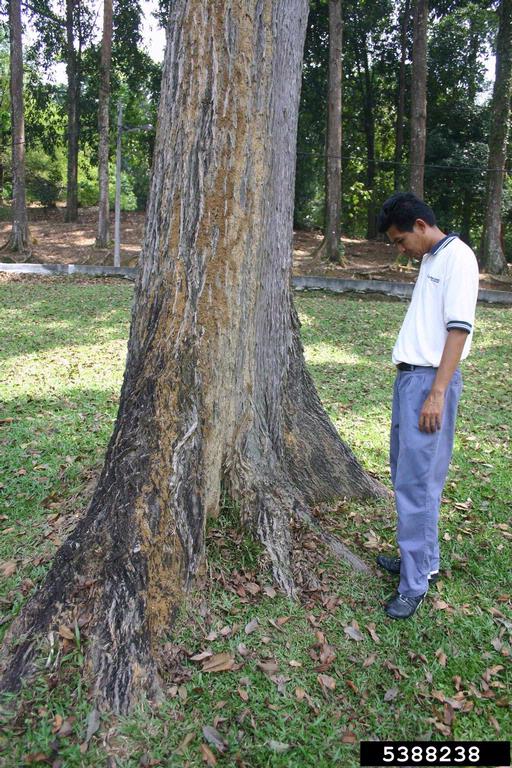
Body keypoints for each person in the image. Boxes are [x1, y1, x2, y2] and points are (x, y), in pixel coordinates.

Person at [376, 192, 479, 619]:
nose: (400, 250)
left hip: (429, 382)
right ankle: (425, 562)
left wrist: (436, 392)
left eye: (401, 240)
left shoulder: (458, 259)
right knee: (411, 476)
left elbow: (458, 330)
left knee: (415, 486)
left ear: (420, 225)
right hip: (411, 379)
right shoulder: (432, 258)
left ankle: (414, 584)